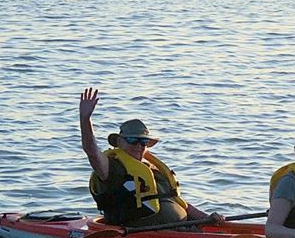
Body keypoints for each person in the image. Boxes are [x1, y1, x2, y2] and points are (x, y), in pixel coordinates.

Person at [79, 87, 226, 228]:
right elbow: (91, 151)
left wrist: (207, 218)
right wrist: (85, 119)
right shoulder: (111, 167)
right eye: (132, 140)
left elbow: (178, 202)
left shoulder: (153, 170)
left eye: (143, 142)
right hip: (136, 231)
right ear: (119, 142)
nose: (138, 146)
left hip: (178, 228)